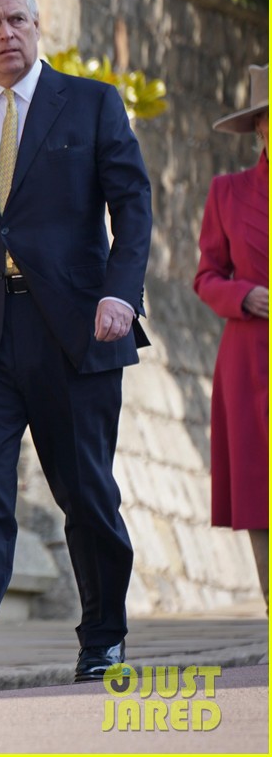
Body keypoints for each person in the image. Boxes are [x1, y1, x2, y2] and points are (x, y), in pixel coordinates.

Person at [0, 0, 152, 692]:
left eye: (17, 19)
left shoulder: (92, 102)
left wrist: (120, 292)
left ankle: (103, 638)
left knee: (85, 493)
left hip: (74, 330)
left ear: (38, 24)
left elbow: (133, 206)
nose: (6, 34)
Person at [194, 64, 269, 609]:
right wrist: (243, 296)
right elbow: (206, 276)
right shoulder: (227, 192)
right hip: (250, 363)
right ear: (260, 127)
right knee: (259, 495)